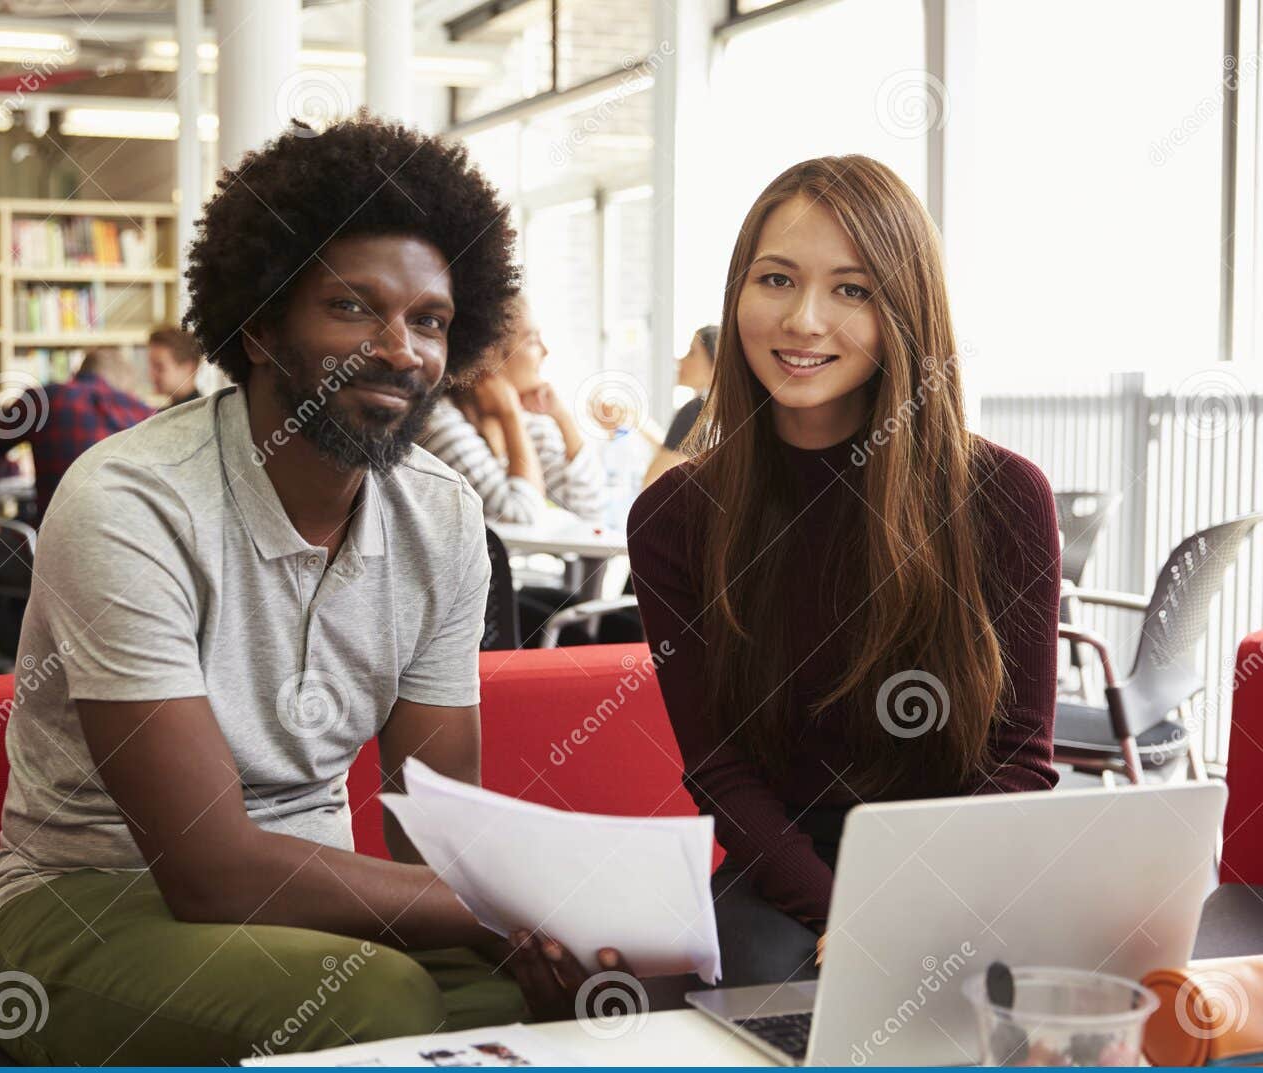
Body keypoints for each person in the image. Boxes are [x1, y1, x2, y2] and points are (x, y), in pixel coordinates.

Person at [0, 115, 628, 1067]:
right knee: (384, 1002)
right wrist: (510, 902)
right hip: (85, 905)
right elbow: (208, 869)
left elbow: (432, 826)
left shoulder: (442, 520)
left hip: (321, 908)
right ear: (262, 325)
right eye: (354, 308)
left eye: (432, 320)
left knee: (580, 993)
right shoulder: (131, 502)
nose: (402, 349)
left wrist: (545, 925)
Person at [627, 156, 1061, 988]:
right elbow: (718, 769)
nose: (804, 319)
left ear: (906, 308)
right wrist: (844, 912)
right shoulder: (675, 517)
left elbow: (1020, 759)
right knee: (762, 1000)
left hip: (961, 867)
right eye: (777, 279)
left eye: (852, 290)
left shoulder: (1002, 496)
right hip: (785, 874)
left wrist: (905, 908)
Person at [0, 348, 155, 660]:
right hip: (130, 559)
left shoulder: (46, 399)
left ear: (79, 372)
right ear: (121, 382)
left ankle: (28, 656)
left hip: (54, 550)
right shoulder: (146, 414)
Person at [421, 293, 605, 526]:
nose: (545, 351)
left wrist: (562, 417)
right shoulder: (440, 424)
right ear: (488, 357)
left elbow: (589, 511)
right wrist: (510, 416)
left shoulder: (532, 425)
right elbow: (520, 515)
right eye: (532, 340)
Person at [642, 324, 720, 488]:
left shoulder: (696, 410)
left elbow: (651, 483)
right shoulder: (719, 413)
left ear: (715, 364)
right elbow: (676, 454)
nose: (680, 360)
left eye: (691, 353)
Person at [146, 326, 203, 405]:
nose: (151, 375)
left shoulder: (201, 414)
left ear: (189, 368)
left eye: (159, 367)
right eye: (152, 366)